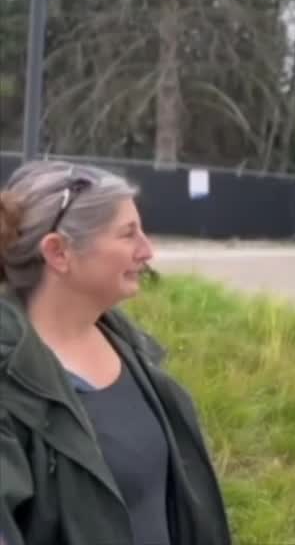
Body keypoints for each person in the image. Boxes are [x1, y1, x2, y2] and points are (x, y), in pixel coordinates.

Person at [0, 161, 232, 545]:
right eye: (128, 234)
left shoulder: (132, 350)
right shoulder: (10, 380)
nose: (147, 250)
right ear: (58, 252)